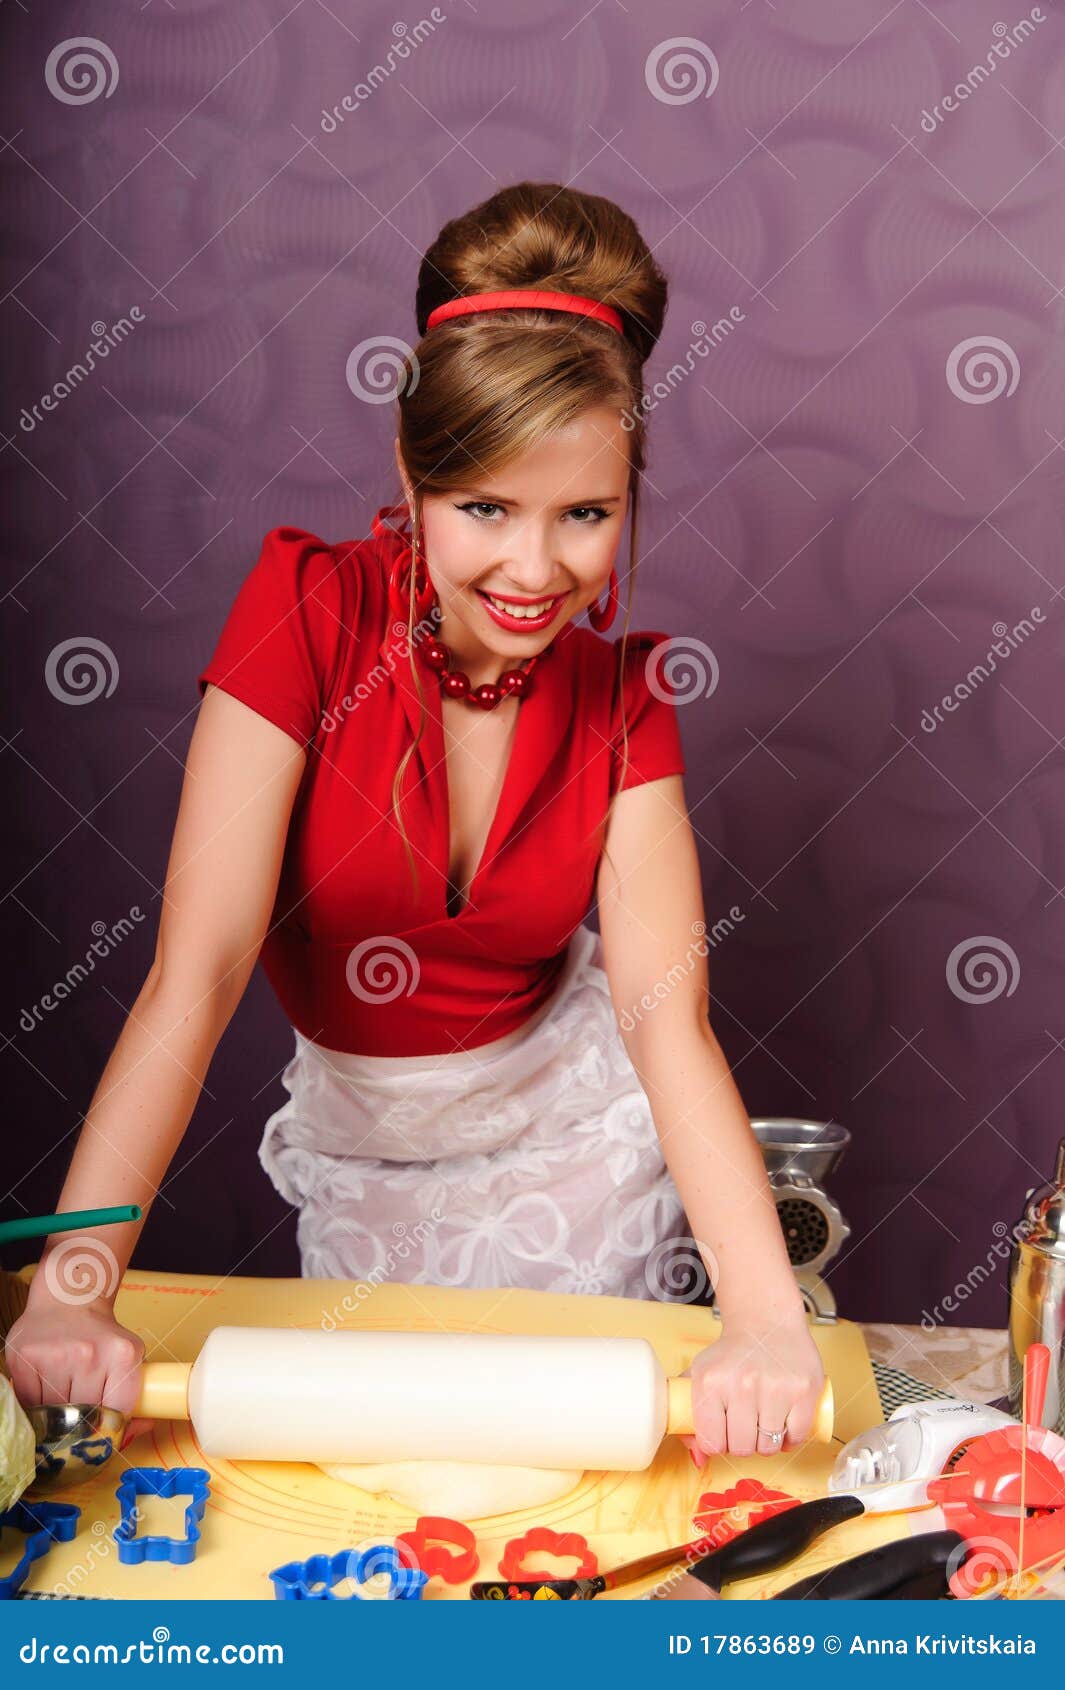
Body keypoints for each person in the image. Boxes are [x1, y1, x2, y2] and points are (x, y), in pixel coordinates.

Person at [5, 182, 824, 1464]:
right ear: (411, 471)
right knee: (386, 1488)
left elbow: (667, 1022)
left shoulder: (622, 699)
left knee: (570, 1499)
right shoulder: (304, 616)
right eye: (486, 508)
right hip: (365, 1152)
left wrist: (769, 1322)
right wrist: (73, 1286)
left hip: (578, 1147)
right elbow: (196, 976)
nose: (536, 570)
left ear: (629, 492)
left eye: (587, 514)